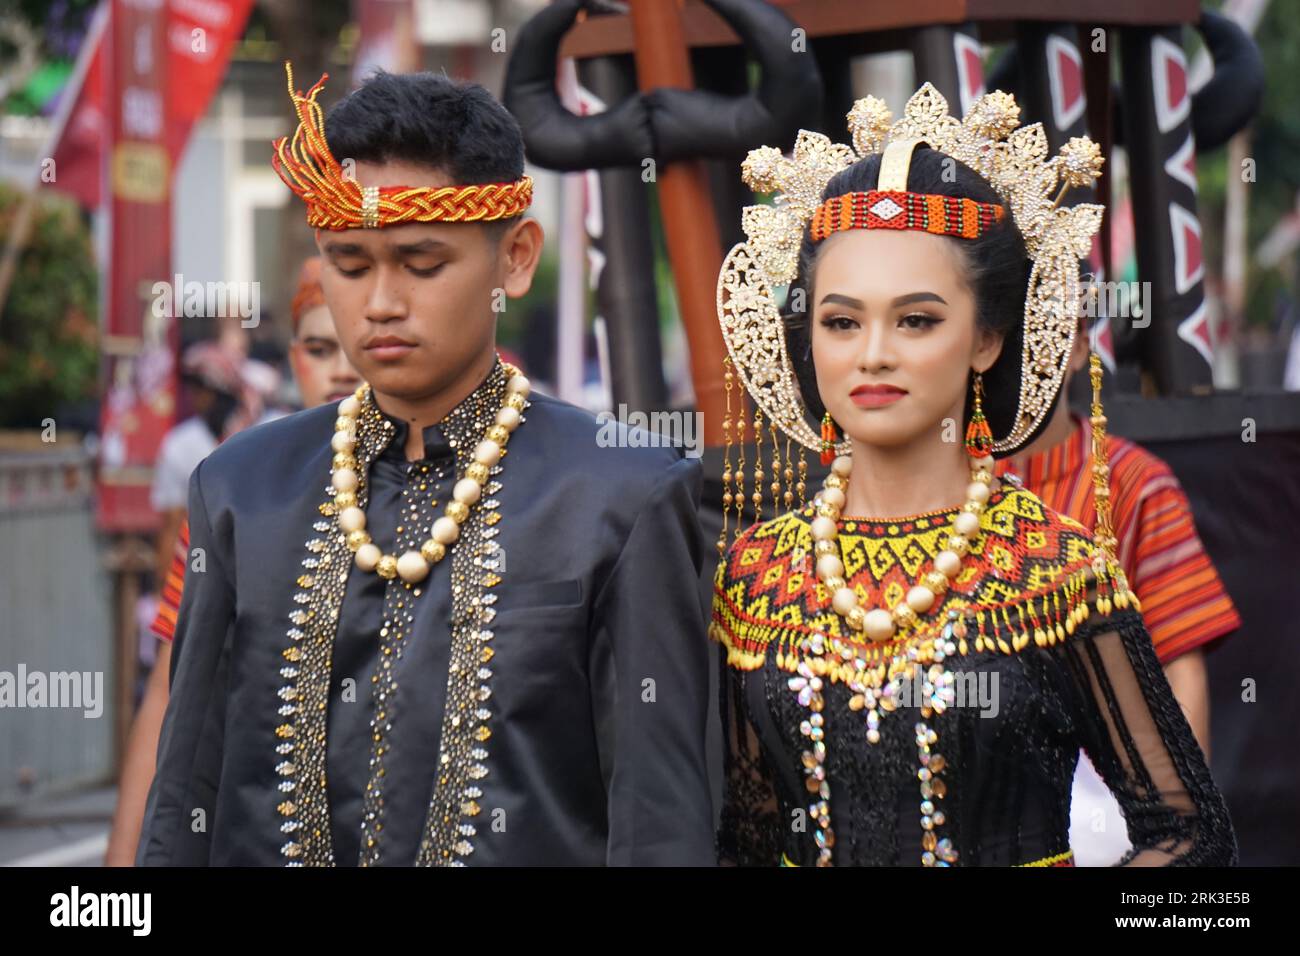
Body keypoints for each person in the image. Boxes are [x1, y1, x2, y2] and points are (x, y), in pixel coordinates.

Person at [136, 64, 714, 866]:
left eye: (421, 262)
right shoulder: (240, 490)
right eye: (349, 263)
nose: (379, 303)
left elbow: (659, 826)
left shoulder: (621, 496)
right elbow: (185, 795)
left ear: (514, 258)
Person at [711, 84, 1236, 866]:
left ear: (988, 338)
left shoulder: (1055, 573)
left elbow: (1189, 836)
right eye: (841, 321)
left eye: (916, 319)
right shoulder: (755, 578)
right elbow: (745, 841)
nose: (873, 353)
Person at [104, 258, 362, 866]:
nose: (342, 371)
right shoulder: (237, 492)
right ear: (293, 357)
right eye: (321, 348)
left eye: (353, 347)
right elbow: (173, 687)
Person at [998, 316, 1241, 865]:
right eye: (1006, 328)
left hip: (1101, 793)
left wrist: (1179, 829)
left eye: (1043, 327)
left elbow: (1180, 667)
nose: (1023, 348)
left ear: (1082, 345)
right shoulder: (957, 485)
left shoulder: (1134, 484)